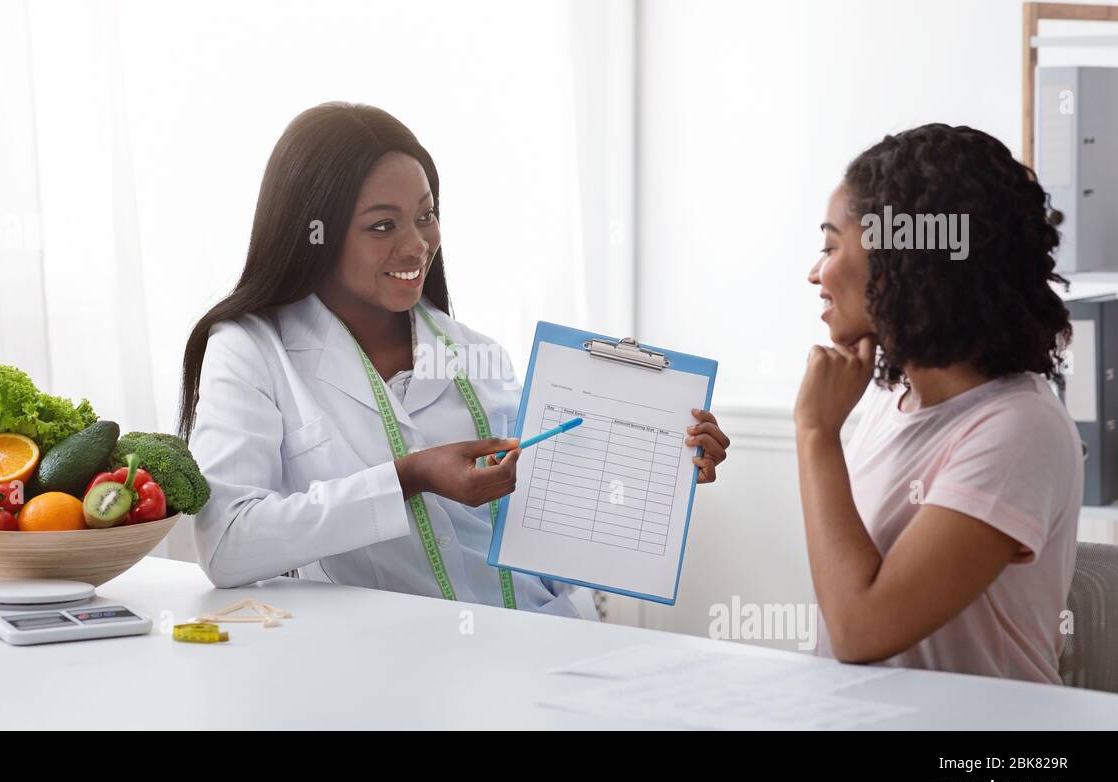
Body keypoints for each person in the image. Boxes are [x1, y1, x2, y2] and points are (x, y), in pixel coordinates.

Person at [179, 102, 730, 616]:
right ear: (313, 235)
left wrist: (659, 465)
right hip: (383, 676)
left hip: (539, 650)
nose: (417, 244)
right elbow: (228, 545)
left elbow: (557, 508)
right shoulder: (251, 350)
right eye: (382, 225)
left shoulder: (479, 355)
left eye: (426, 215)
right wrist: (408, 477)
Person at [796, 123, 1081, 682]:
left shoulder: (1020, 428)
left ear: (901, 261)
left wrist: (815, 434)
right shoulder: (889, 399)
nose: (816, 273)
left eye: (831, 245)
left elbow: (861, 631)